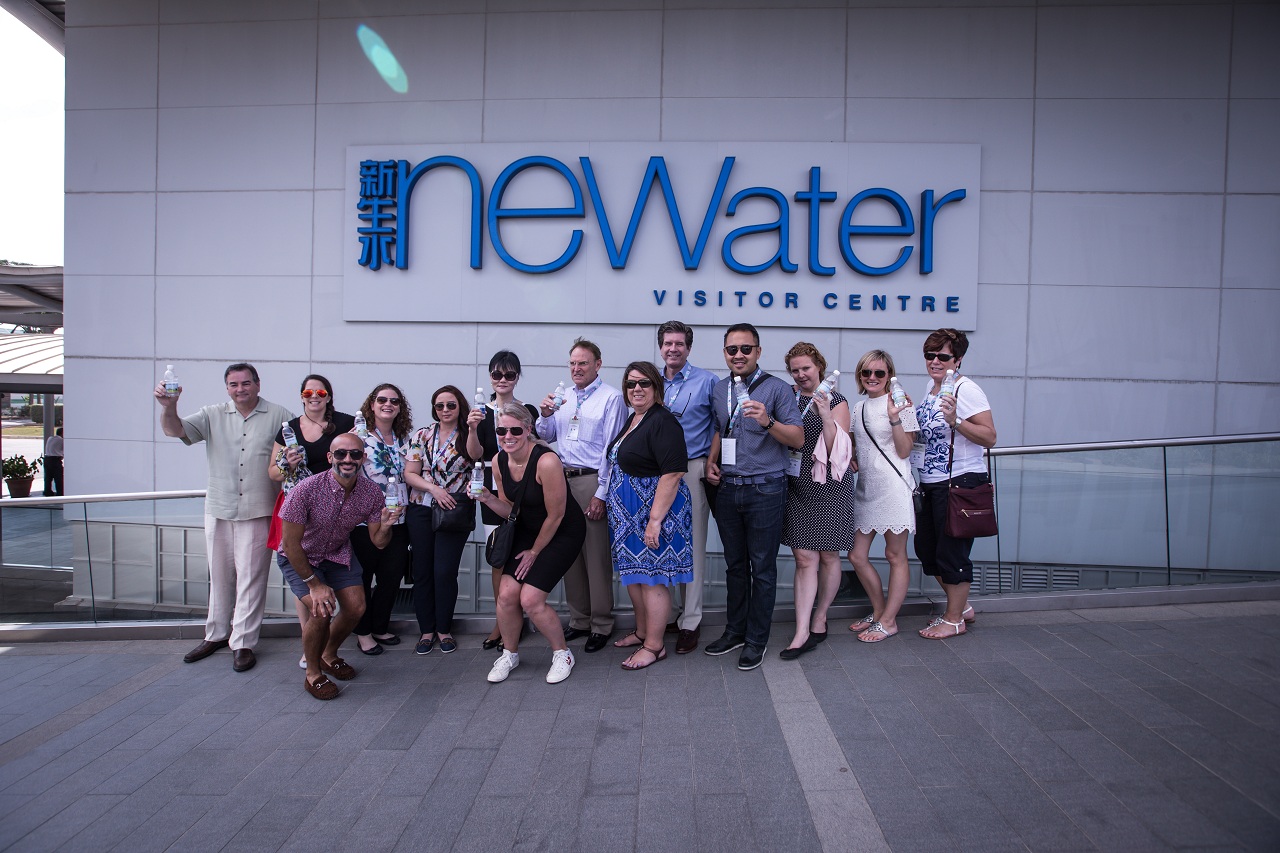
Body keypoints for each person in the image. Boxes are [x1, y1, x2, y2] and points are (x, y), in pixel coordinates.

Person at [154, 363, 293, 672]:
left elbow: (300, 445)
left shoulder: (280, 415)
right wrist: (169, 405)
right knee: (218, 577)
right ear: (227, 388)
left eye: (246, 383)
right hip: (219, 507)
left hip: (259, 509)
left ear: (258, 384)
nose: (240, 389)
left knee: (251, 579)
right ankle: (216, 634)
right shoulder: (212, 414)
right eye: (233, 384)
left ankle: (243, 642)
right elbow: (174, 430)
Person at [704, 324, 803, 670]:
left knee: (762, 568)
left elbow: (797, 439)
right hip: (728, 487)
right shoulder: (720, 389)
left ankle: (756, 639)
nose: (739, 355)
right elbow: (720, 428)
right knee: (735, 566)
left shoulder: (777, 389)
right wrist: (712, 461)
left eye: (746, 349)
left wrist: (767, 421)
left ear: (758, 352)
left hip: (766, 488)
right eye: (732, 349)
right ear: (725, 353)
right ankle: (735, 631)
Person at [279, 432, 403, 699]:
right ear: (329, 457)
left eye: (355, 454)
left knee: (356, 607)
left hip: (337, 554)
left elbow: (379, 542)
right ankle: (313, 674)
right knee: (321, 610)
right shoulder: (306, 489)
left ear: (363, 458)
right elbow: (289, 544)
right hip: (301, 556)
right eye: (341, 454)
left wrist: (385, 526)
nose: (348, 459)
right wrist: (314, 584)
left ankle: (328, 654)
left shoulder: (371, 492)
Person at [478, 403, 587, 684]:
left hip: (561, 531)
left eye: (515, 430)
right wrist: (487, 499)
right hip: (528, 529)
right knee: (506, 595)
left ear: (528, 430)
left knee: (530, 598)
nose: (508, 436)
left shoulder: (546, 461)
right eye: (502, 430)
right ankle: (510, 654)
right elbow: (510, 510)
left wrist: (535, 552)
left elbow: (557, 515)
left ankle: (562, 653)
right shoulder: (499, 461)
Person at [536, 338, 627, 653]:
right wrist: (545, 414)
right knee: (569, 553)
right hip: (562, 481)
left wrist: (601, 494)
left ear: (597, 365)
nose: (576, 368)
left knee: (595, 556)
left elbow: (613, 450)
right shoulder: (563, 397)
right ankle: (579, 619)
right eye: (573, 363)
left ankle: (601, 623)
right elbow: (546, 436)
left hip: (591, 481)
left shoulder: (611, 398)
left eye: (583, 363)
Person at [606, 362, 693, 670]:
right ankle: (643, 632)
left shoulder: (663, 421)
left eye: (644, 383)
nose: (637, 389)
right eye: (631, 384)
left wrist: (655, 521)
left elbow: (673, 473)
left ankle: (655, 646)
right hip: (628, 516)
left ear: (657, 387)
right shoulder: (635, 418)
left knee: (653, 578)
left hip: (654, 513)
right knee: (635, 576)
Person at [267, 374, 356, 668]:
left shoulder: (344, 423)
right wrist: (286, 465)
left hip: (337, 506)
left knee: (336, 568)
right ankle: (309, 641)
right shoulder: (289, 429)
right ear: (301, 396)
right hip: (299, 507)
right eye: (308, 392)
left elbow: (360, 455)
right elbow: (273, 473)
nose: (314, 397)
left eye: (320, 392)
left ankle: (331, 637)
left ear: (328, 396)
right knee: (301, 567)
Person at [913, 328, 997, 639]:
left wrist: (956, 421)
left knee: (952, 553)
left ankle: (953, 619)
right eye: (930, 355)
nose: (935, 361)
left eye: (943, 356)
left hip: (959, 481)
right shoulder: (931, 388)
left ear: (958, 360)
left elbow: (990, 436)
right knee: (927, 551)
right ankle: (961, 607)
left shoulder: (966, 390)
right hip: (931, 482)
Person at [779, 342, 855, 660]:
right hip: (797, 485)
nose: (800, 374)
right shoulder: (788, 397)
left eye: (806, 368)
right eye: (795, 370)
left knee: (829, 556)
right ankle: (801, 631)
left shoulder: (836, 400)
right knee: (804, 558)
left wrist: (825, 415)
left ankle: (820, 615)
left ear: (819, 367)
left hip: (830, 486)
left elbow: (837, 448)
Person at [465, 350, 541, 651]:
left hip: (522, 483)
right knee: (499, 554)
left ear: (517, 377)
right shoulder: (480, 412)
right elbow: (474, 455)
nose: (503, 380)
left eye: (509, 374)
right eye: (497, 374)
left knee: (521, 552)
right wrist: (472, 428)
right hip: (491, 486)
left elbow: (534, 446)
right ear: (490, 377)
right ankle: (502, 622)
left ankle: (519, 618)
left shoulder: (526, 410)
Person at [655, 320, 717, 654]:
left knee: (691, 544)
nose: (673, 349)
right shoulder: (651, 381)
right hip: (655, 473)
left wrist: (712, 461)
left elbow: (720, 426)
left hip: (692, 468)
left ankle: (690, 621)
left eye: (679, 343)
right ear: (661, 347)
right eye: (668, 343)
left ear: (688, 348)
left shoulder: (707, 381)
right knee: (661, 542)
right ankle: (667, 614)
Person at [847, 350, 916, 643]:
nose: (872, 377)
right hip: (867, 488)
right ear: (860, 376)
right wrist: (851, 457)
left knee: (894, 555)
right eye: (867, 372)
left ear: (889, 376)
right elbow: (856, 445)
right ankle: (878, 611)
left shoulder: (902, 403)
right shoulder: (858, 407)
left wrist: (895, 418)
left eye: (879, 373)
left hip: (893, 487)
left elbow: (904, 450)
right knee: (856, 555)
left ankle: (889, 621)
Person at [404, 385, 476, 656]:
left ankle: (444, 629)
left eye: (451, 405)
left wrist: (473, 429)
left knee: (445, 572)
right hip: (422, 507)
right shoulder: (422, 435)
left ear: (460, 406)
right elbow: (410, 473)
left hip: (453, 509)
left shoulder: (468, 434)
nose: (445, 410)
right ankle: (426, 631)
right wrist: (433, 489)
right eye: (440, 406)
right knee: (422, 571)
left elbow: (477, 457)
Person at [350, 383, 413, 655]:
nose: (388, 404)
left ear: (400, 408)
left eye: (394, 401)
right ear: (372, 405)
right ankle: (363, 632)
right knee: (363, 578)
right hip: (366, 521)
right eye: (382, 399)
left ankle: (379, 626)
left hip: (398, 518)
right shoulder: (358, 437)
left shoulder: (404, 439)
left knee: (391, 577)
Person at [42, 427, 63, 496]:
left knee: (48, 478)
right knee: (58, 478)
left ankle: (47, 492)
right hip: (55, 460)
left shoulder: (50, 438)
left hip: (47, 459)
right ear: (62, 433)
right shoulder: (61, 440)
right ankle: (60, 493)